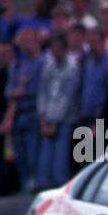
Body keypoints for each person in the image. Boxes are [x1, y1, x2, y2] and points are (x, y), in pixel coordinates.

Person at [36, 34, 80, 189]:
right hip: (47, 119)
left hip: (64, 121)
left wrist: (55, 122)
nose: (54, 52)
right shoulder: (48, 67)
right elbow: (43, 92)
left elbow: (68, 97)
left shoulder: (72, 68)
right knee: (44, 160)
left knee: (59, 162)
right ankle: (42, 187)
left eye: (57, 49)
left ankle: (59, 190)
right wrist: (43, 118)